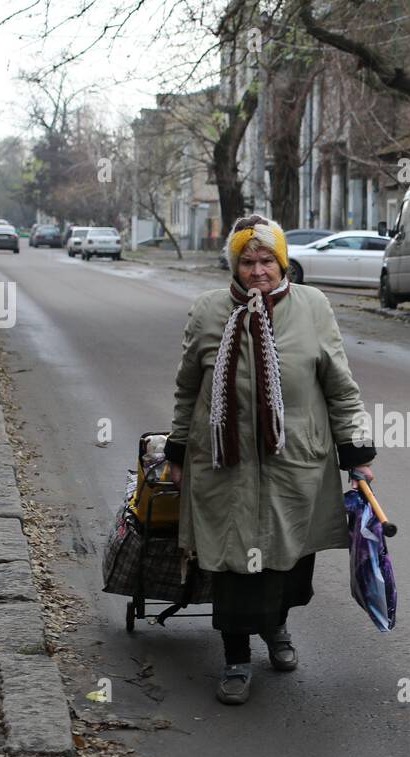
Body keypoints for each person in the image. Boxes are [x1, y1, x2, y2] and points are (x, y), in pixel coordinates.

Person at [164, 215, 377, 705]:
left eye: (267, 261)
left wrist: (357, 453)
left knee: (286, 561)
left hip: (294, 459)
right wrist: (177, 449)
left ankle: (276, 628)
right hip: (223, 461)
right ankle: (236, 657)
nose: (258, 271)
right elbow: (187, 387)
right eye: (247, 261)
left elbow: (340, 387)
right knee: (232, 562)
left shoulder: (313, 307)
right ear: (233, 266)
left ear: (283, 265)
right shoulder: (208, 311)